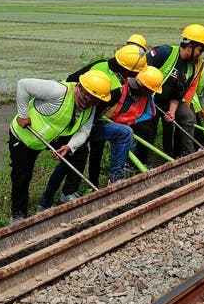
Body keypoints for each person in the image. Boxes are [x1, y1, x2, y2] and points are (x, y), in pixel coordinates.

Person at [38, 44, 146, 205]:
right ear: (127, 71)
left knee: (71, 157)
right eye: (137, 71)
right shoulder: (115, 88)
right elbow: (92, 116)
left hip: (67, 116)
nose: (138, 74)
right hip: (79, 124)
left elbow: (71, 79)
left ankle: (50, 199)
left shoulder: (101, 63)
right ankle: (115, 179)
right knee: (74, 154)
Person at [8, 69, 111, 222]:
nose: (89, 102)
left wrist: (70, 146)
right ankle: (18, 214)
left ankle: (68, 193)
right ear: (80, 87)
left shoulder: (90, 108)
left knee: (80, 151)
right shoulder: (58, 91)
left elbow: (85, 131)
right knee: (22, 176)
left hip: (52, 136)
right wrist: (23, 114)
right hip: (26, 136)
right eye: (89, 96)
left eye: (94, 100)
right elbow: (23, 85)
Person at [146, 24, 204, 156]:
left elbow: (178, 94)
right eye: (200, 50)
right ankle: (138, 162)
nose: (200, 54)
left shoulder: (191, 68)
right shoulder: (164, 52)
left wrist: (171, 111)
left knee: (188, 116)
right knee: (147, 130)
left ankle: (187, 154)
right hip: (149, 100)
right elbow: (141, 72)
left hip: (169, 102)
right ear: (190, 46)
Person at [96, 65, 163, 168]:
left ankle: (138, 165)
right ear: (142, 86)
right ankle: (114, 171)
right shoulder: (120, 89)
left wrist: (134, 121)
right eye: (150, 90)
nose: (152, 93)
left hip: (130, 123)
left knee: (146, 130)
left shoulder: (147, 96)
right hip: (109, 122)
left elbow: (150, 113)